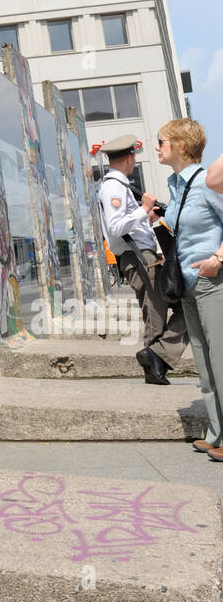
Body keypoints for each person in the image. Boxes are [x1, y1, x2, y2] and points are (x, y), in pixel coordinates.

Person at [152, 120, 223, 459]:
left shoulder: (207, 182)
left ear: (181, 144)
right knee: (205, 362)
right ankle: (216, 432)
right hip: (189, 285)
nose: (157, 147)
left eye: (161, 141)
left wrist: (217, 259)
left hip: (212, 281)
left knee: (221, 361)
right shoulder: (177, 186)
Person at [97, 134, 187, 384]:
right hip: (136, 257)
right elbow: (115, 228)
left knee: (161, 310)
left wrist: (146, 219)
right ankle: (155, 362)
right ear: (129, 157)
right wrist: (143, 209)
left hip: (142, 254)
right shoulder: (113, 187)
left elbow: (127, 225)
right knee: (159, 312)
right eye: (134, 156)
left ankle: (155, 360)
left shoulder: (120, 185)